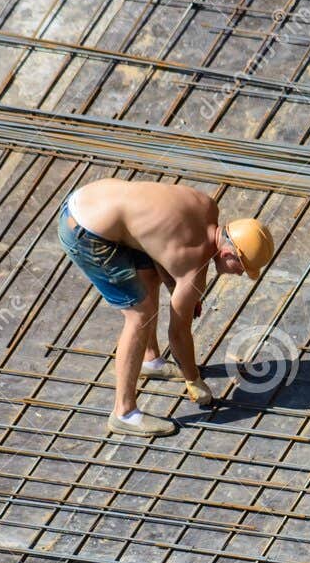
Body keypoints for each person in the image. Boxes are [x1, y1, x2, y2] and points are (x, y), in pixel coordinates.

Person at [57, 179, 274, 436]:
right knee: (139, 316)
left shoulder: (207, 207)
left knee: (149, 279)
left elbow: (162, 249)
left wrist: (180, 292)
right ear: (228, 255)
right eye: (242, 268)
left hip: (88, 198)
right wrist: (193, 380)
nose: (239, 275)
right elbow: (178, 333)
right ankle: (124, 413)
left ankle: (150, 361)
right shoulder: (192, 269)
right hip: (85, 232)